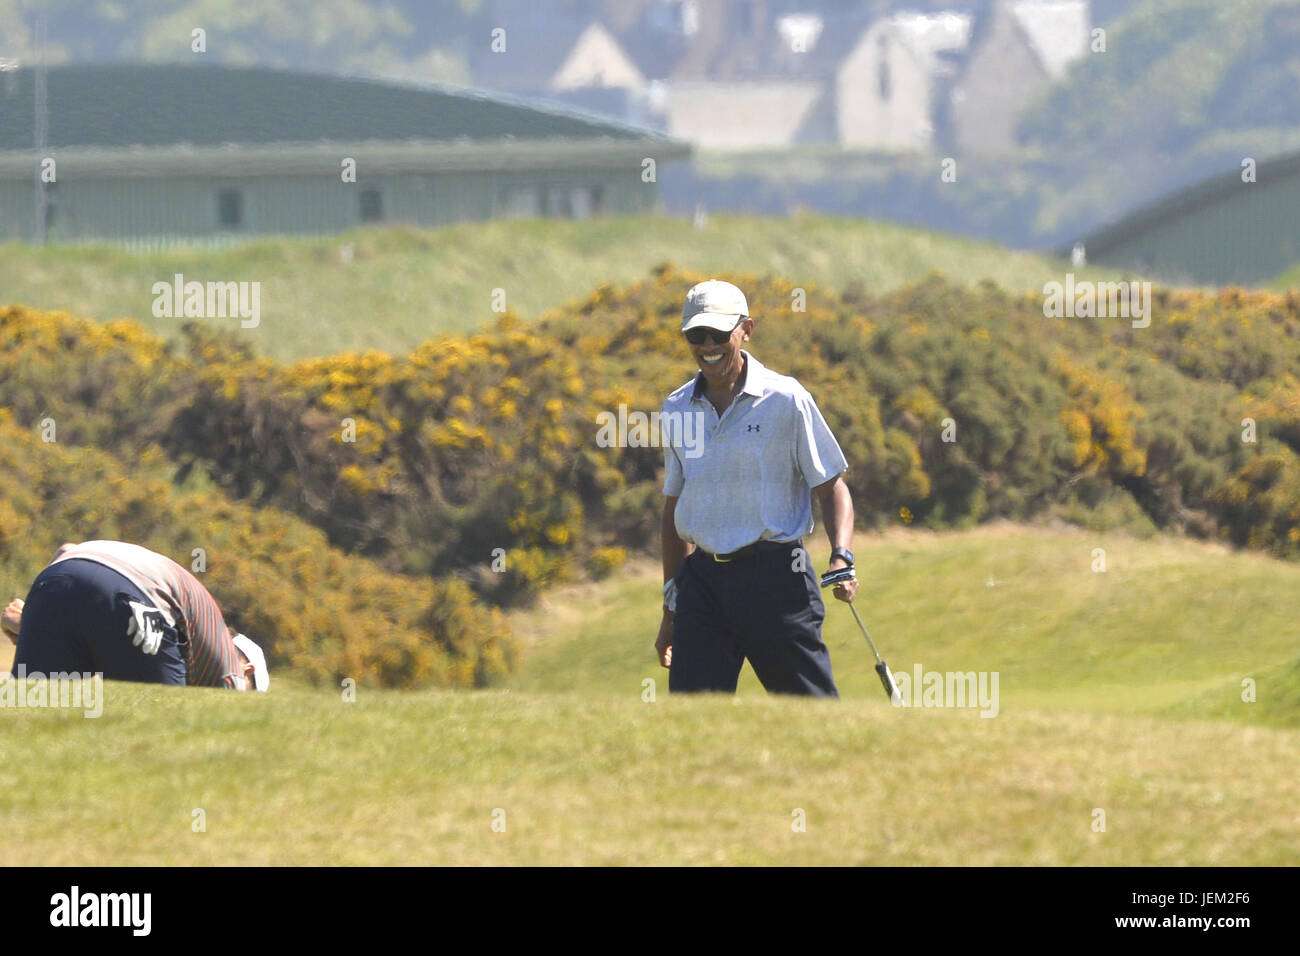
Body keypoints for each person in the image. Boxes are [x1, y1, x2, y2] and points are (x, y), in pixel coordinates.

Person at [655, 279, 859, 696]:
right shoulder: (676, 408)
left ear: (746, 329)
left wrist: (841, 555)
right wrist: (670, 609)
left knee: (812, 718)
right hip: (703, 585)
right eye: (696, 335)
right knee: (691, 726)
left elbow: (832, 488)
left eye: (719, 332)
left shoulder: (787, 399)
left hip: (779, 580)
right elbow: (675, 510)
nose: (707, 344)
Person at [2, 540, 268, 691]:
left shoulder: (201, 637)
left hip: (57, 579)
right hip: (137, 596)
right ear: (247, 670)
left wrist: (38, 624)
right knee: (158, 732)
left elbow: (66, 550)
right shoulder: (229, 669)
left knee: (38, 724)